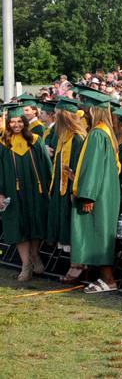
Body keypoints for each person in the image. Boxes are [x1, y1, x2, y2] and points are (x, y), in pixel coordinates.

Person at [70, 89, 122, 294]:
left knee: (100, 234)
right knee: (99, 233)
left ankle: (108, 280)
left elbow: (94, 168)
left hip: (98, 194)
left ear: (93, 109)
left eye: (84, 106)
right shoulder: (102, 131)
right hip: (104, 191)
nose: (81, 110)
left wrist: (87, 195)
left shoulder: (98, 134)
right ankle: (102, 278)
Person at [0, 105, 53, 282]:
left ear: (24, 122)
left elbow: (46, 166)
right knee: (18, 226)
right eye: (12, 122)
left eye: (19, 121)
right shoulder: (3, 143)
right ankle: (26, 265)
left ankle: (35, 255)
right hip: (12, 193)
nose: (16, 125)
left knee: (35, 225)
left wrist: (49, 187)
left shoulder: (36, 140)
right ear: (8, 124)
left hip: (35, 190)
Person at [46, 98, 87, 283]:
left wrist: (74, 187)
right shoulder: (64, 137)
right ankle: (74, 264)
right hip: (60, 189)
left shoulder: (78, 138)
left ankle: (77, 266)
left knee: (73, 227)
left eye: (57, 114)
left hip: (71, 190)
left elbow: (79, 167)